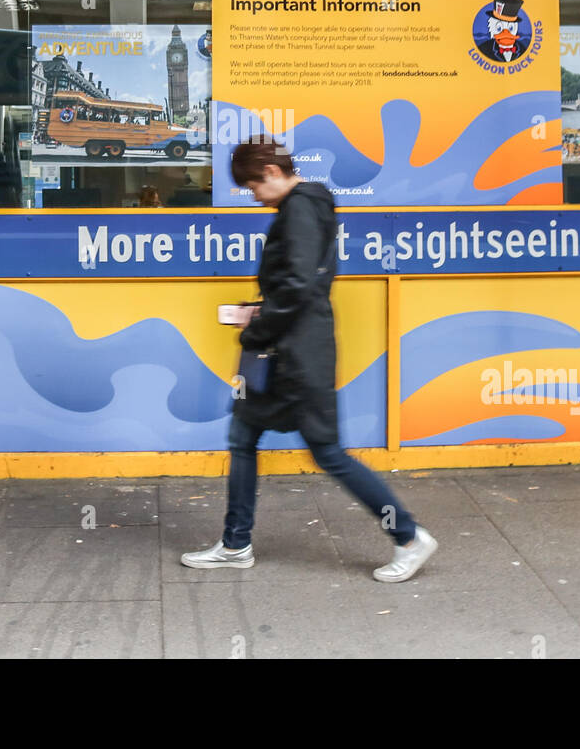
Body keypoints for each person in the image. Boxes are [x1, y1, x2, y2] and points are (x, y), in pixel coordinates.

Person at [181, 137, 438, 583]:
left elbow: (299, 286)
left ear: (272, 173)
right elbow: (299, 284)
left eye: (252, 187)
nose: (253, 196)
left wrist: (257, 328)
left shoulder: (299, 208)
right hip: (289, 353)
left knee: (330, 453)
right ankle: (236, 542)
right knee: (243, 437)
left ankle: (410, 537)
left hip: (297, 358)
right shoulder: (308, 204)